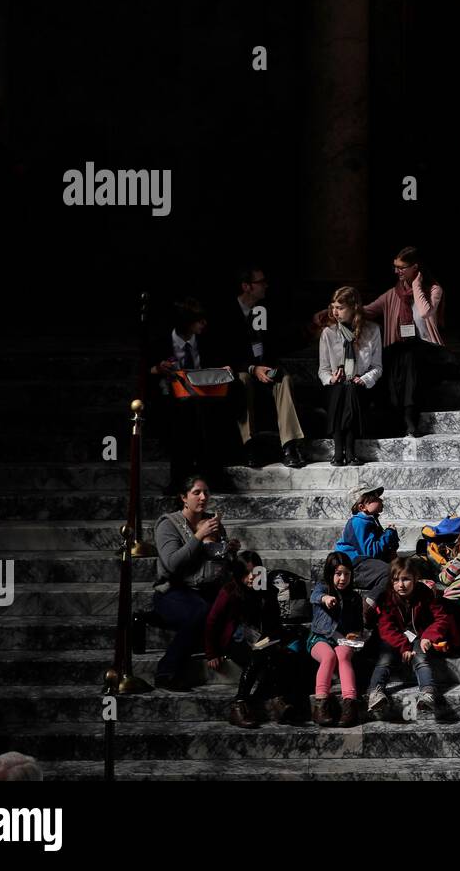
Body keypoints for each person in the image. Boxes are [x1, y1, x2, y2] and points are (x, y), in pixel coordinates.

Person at [213, 267, 307, 469]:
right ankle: (249, 445)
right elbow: (223, 353)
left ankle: (290, 445)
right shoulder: (227, 313)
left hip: (265, 367)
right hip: (242, 370)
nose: (266, 285)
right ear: (246, 286)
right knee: (243, 380)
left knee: (285, 379)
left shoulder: (263, 310)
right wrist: (252, 368)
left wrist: (310, 330)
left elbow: (279, 342)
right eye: (261, 281)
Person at [150, 475, 238, 690]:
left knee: (236, 606)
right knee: (201, 612)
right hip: (173, 591)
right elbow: (172, 564)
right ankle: (166, 671)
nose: (203, 497)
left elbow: (219, 562)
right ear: (183, 497)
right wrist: (198, 537)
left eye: (206, 492)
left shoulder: (212, 521)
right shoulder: (168, 525)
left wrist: (230, 552)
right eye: (196, 492)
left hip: (206, 588)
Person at [151, 298, 241, 493]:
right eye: (199, 321)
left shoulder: (207, 338)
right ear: (187, 323)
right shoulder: (161, 340)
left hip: (205, 394)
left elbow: (220, 363)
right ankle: (180, 479)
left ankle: (213, 475)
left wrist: (223, 369)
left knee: (206, 418)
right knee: (182, 419)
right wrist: (158, 368)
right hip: (173, 396)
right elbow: (147, 370)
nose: (204, 324)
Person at [204, 550, 294, 729]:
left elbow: (273, 619)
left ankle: (275, 700)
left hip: (261, 638)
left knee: (279, 658)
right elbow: (212, 621)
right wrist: (211, 652)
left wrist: (266, 596)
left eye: (256, 572)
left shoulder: (266, 590)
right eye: (247, 573)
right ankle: (239, 703)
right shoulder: (230, 590)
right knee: (259, 657)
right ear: (238, 574)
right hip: (235, 640)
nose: (252, 577)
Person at [363, 245, 446, 438]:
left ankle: (406, 416)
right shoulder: (393, 294)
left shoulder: (434, 290)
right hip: (406, 355)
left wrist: (416, 285)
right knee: (398, 355)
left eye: (401, 268)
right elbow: (366, 311)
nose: (396, 271)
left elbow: (426, 312)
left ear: (415, 268)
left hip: (431, 352)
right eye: (395, 267)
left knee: (407, 353)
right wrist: (329, 312)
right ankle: (406, 415)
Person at [367, 556, 455, 720]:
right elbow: (385, 627)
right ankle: (375, 692)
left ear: (415, 578)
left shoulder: (424, 593)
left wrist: (428, 637)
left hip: (419, 636)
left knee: (421, 658)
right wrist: (403, 647)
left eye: (406, 579)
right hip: (394, 638)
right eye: (396, 580)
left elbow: (441, 618)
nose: (400, 585)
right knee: (385, 659)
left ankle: (428, 694)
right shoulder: (387, 596)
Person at [318, 285, 382, 465]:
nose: (335, 312)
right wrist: (331, 378)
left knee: (351, 390)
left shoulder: (372, 331)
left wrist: (364, 379)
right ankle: (343, 449)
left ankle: (344, 450)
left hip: (360, 389)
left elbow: (377, 367)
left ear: (354, 307)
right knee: (341, 390)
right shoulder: (329, 333)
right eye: (333, 307)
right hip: (335, 389)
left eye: (340, 308)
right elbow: (322, 369)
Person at [308, 552, 366, 728]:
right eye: (338, 574)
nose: (342, 578)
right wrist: (326, 598)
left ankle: (350, 704)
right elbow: (315, 597)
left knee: (342, 655)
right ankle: (321, 703)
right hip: (320, 637)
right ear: (330, 574)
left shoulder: (354, 597)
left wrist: (354, 635)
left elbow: (357, 624)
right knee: (328, 657)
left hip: (343, 639)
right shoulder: (322, 588)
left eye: (346, 574)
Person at [334, 484, 400, 607]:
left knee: (401, 570)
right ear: (362, 507)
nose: (381, 500)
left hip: (365, 562)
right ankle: (369, 602)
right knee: (391, 572)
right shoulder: (358, 522)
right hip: (354, 565)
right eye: (375, 498)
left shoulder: (370, 520)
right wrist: (388, 534)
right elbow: (370, 552)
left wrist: (391, 537)